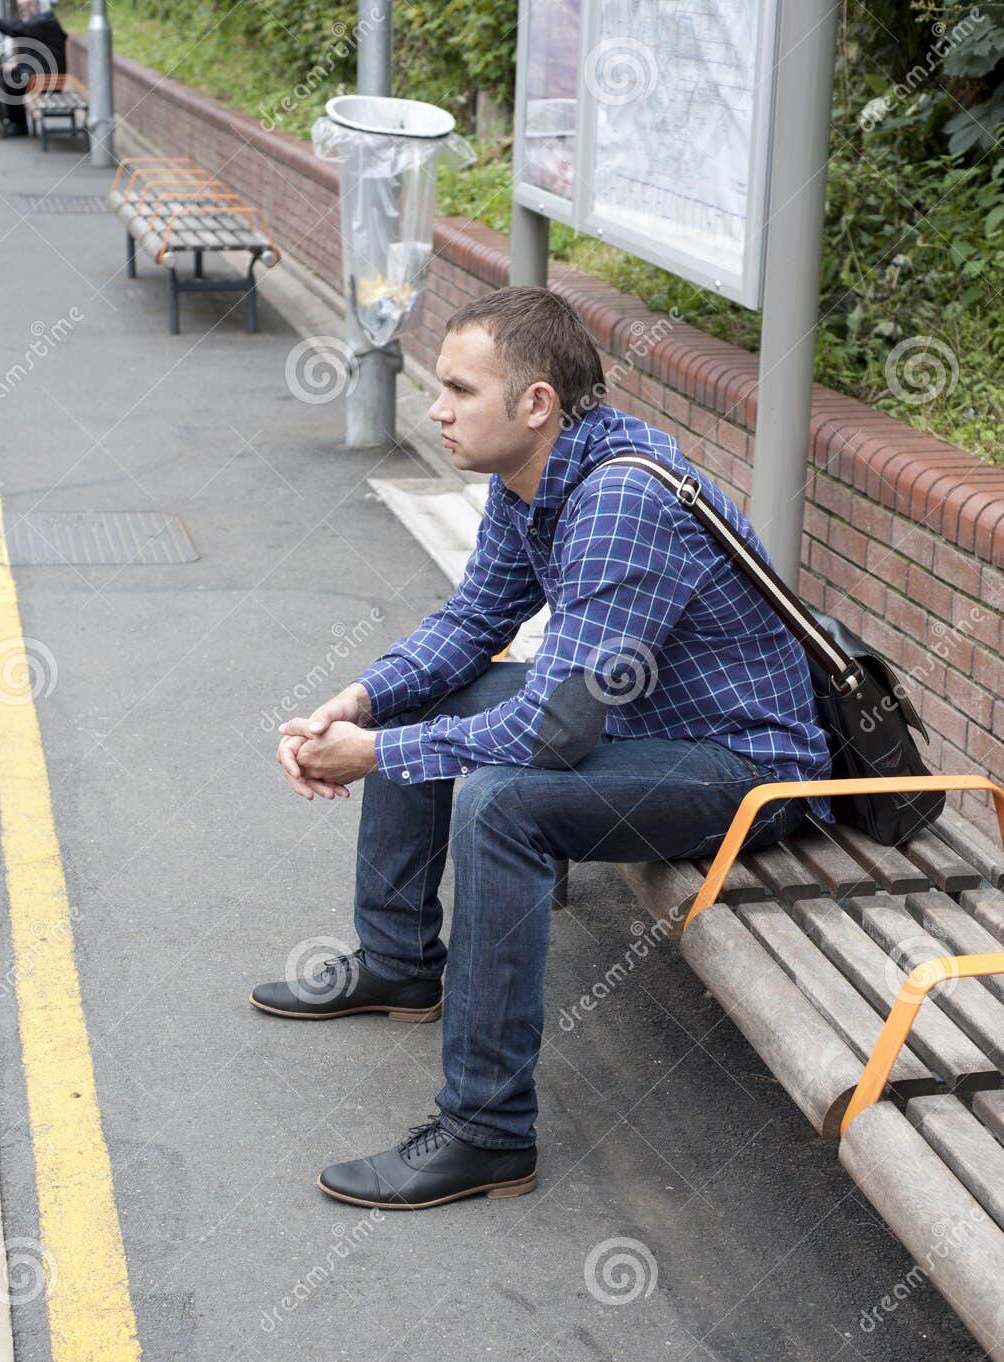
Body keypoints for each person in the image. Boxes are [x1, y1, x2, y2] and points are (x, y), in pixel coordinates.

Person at [256, 286, 832, 1211]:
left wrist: (376, 755)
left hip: (741, 767)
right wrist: (357, 701)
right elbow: (477, 620)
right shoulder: (533, 481)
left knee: (499, 799)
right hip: (648, 727)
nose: (435, 407)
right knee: (434, 699)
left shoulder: (615, 502)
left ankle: (487, 1131)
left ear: (535, 405)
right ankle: (399, 962)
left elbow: (547, 733)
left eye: (458, 390)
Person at [0, 1, 67, 133]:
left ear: (34, 4)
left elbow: (16, 29)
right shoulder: (42, 20)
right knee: (11, 74)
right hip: (45, 73)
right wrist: (18, 64)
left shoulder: (43, 21)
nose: (21, 8)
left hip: (50, 79)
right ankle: (15, 121)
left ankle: (18, 125)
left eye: (24, 6)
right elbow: (36, 54)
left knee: (12, 79)